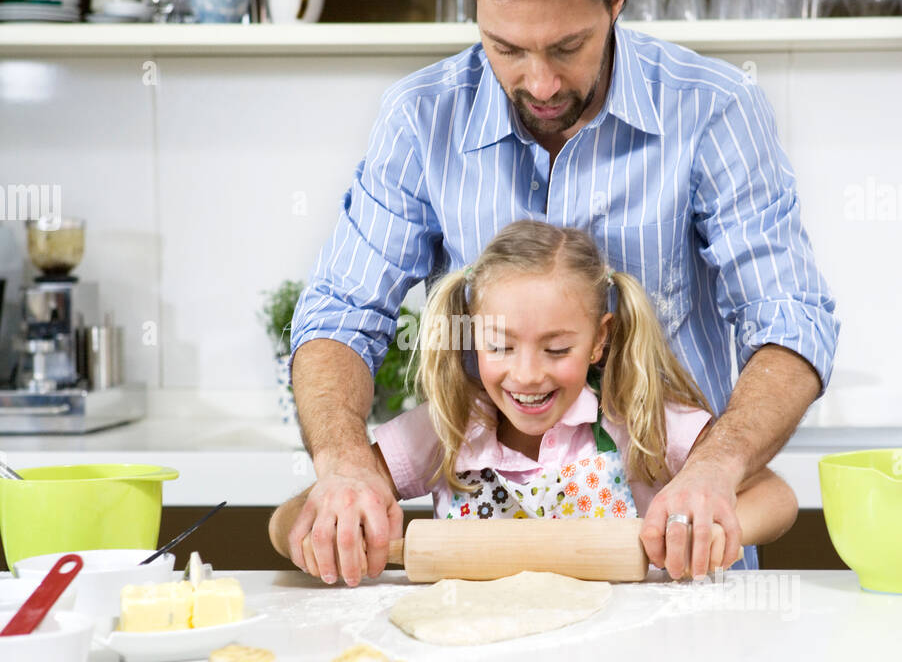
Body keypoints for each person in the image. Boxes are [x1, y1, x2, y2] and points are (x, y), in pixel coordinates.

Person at [274, 0, 838, 585]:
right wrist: (345, 469)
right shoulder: (420, 116)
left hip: (682, 573)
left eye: (568, 47)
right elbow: (339, 315)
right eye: (505, 47)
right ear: (473, 6)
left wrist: (712, 474)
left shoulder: (713, 108)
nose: (539, 82)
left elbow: (790, 319)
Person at [270, 222, 798, 574]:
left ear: (599, 339)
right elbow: (291, 518)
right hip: (476, 656)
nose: (527, 375)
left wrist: (707, 531)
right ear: (472, 334)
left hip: (625, 649)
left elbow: (777, 498)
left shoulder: (636, 420)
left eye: (556, 348)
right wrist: (328, 523)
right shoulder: (446, 430)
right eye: (500, 345)